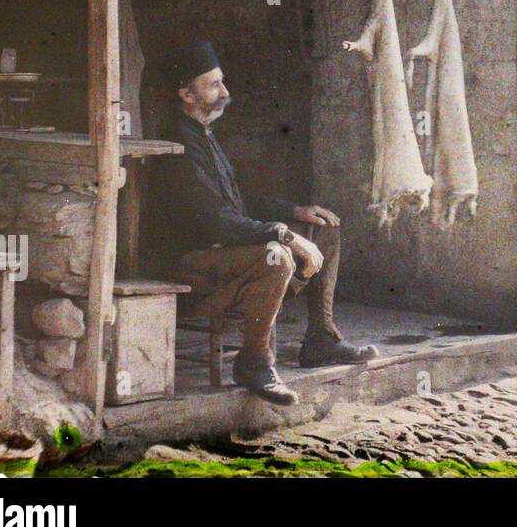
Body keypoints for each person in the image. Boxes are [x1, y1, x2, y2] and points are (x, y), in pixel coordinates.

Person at [150, 41, 376, 405]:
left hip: (225, 250)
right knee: (277, 256)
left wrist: (296, 212)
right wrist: (283, 234)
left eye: (222, 82)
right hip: (192, 262)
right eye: (213, 85)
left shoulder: (204, 134)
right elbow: (212, 222)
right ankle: (254, 362)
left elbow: (238, 200)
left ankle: (321, 337)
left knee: (324, 229)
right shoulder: (179, 143)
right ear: (186, 94)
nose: (225, 92)